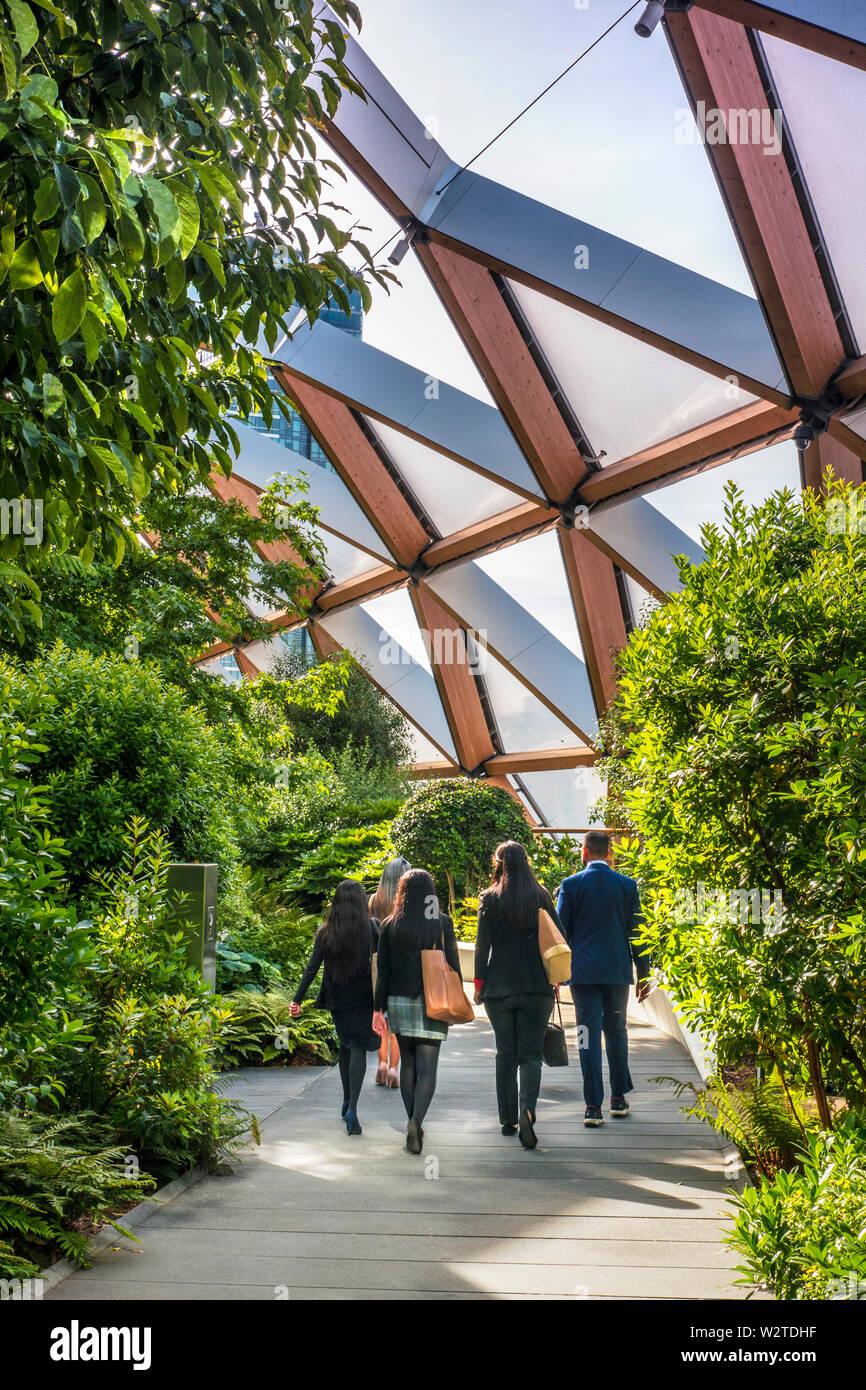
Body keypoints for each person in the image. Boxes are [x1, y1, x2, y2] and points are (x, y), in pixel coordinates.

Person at [556, 831, 652, 1128]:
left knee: (587, 1035)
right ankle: (619, 1097)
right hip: (617, 972)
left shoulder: (570, 886)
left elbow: (561, 935)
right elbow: (638, 933)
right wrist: (644, 973)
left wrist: (556, 975)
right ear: (609, 852)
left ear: (584, 852)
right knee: (616, 1032)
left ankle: (592, 1105)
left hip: (583, 974)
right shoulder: (627, 885)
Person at [474, 841, 562, 1149]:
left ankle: (508, 1119)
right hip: (537, 987)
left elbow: (482, 946)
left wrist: (479, 984)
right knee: (531, 1055)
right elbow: (558, 938)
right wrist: (556, 977)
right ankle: (528, 1111)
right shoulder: (540, 896)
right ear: (526, 862)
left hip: (499, 989)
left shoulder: (490, 899)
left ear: (499, 863)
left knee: (505, 1055)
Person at [374, 868, 460, 1155]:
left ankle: (412, 1122)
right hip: (433, 1002)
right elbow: (455, 966)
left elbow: (382, 973)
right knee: (428, 1069)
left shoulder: (389, 925)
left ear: (402, 894)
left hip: (398, 1001)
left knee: (408, 1064)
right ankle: (416, 1122)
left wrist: (378, 1009)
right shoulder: (441, 924)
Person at [291, 879, 385, 1136]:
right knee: (357, 1048)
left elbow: (312, 968)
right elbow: (382, 965)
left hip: (338, 998)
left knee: (346, 1044)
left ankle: (345, 1099)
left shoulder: (326, 933)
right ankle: (353, 1106)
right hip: (365, 998)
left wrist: (297, 999)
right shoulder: (371, 927)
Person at [368, 856, 410, 1088]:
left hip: (376, 965)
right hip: (402, 966)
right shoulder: (408, 902)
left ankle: (382, 1064)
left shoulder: (374, 901)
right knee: (397, 1021)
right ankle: (394, 1069)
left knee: (380, 1016)